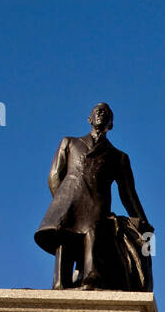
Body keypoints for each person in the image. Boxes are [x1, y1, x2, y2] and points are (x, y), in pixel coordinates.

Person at [34, 102, 154, 291]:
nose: (101, 113)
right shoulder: (70, 142)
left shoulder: (118, 156)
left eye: (106, 113)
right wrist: (62, 201)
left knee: (93, 235)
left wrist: (143, 221)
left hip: (97, 204)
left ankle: (91, 280)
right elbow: (54, 176)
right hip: (69, 201)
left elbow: (128, 193)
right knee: (64, 239)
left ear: (111, 124)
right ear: (89, 119)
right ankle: (60, 284)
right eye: (97, 111)